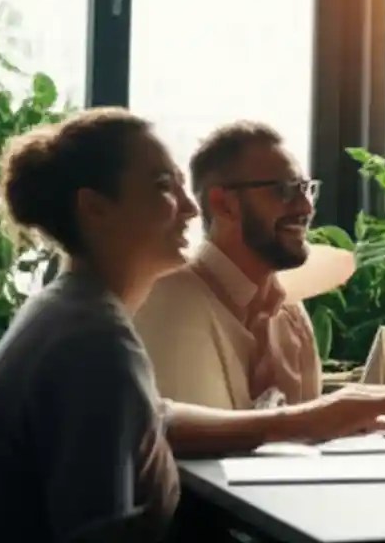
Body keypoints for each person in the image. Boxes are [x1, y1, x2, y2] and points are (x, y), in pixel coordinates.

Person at [0, 110, 385, 542]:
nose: (190, 208)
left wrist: (308, 419)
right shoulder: (94, 339)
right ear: (95, 208)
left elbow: (153, 415)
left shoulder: (71, 310)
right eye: (163, 186)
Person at [137, 122, 328, 410]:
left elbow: (314, 432)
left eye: (306, 189)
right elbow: (183, 435)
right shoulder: (171, 301)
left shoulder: (291, 315)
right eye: (285, 191)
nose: (306, 207)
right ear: (224, 204)